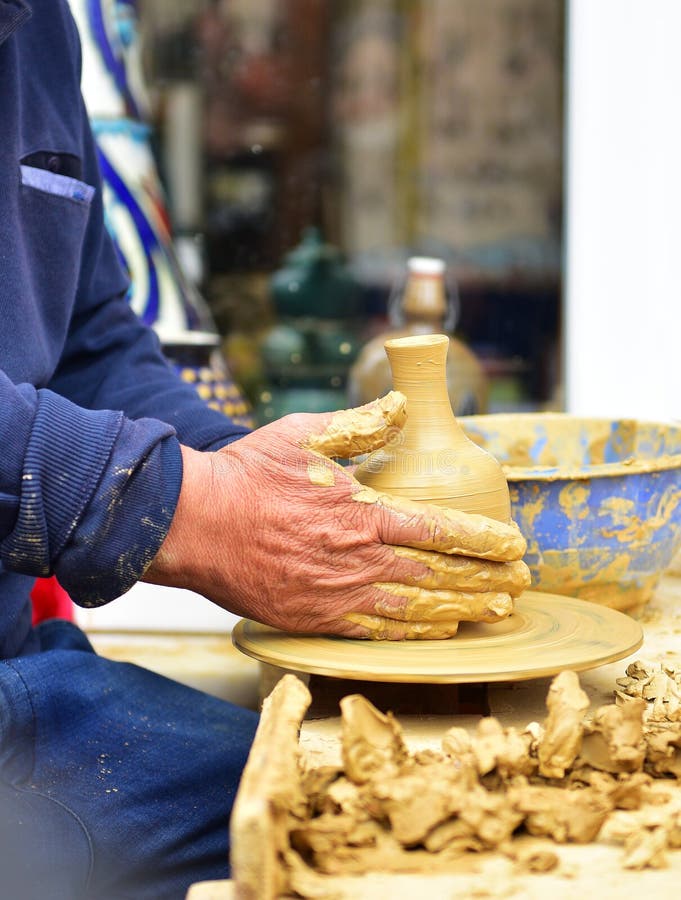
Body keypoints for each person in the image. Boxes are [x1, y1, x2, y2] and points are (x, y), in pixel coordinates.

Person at [0, 2, 530, 897]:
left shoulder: (39, 28)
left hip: (24, 678)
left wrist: (260, 477)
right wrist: (187, 507)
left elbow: (87, 336)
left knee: (418, 823)